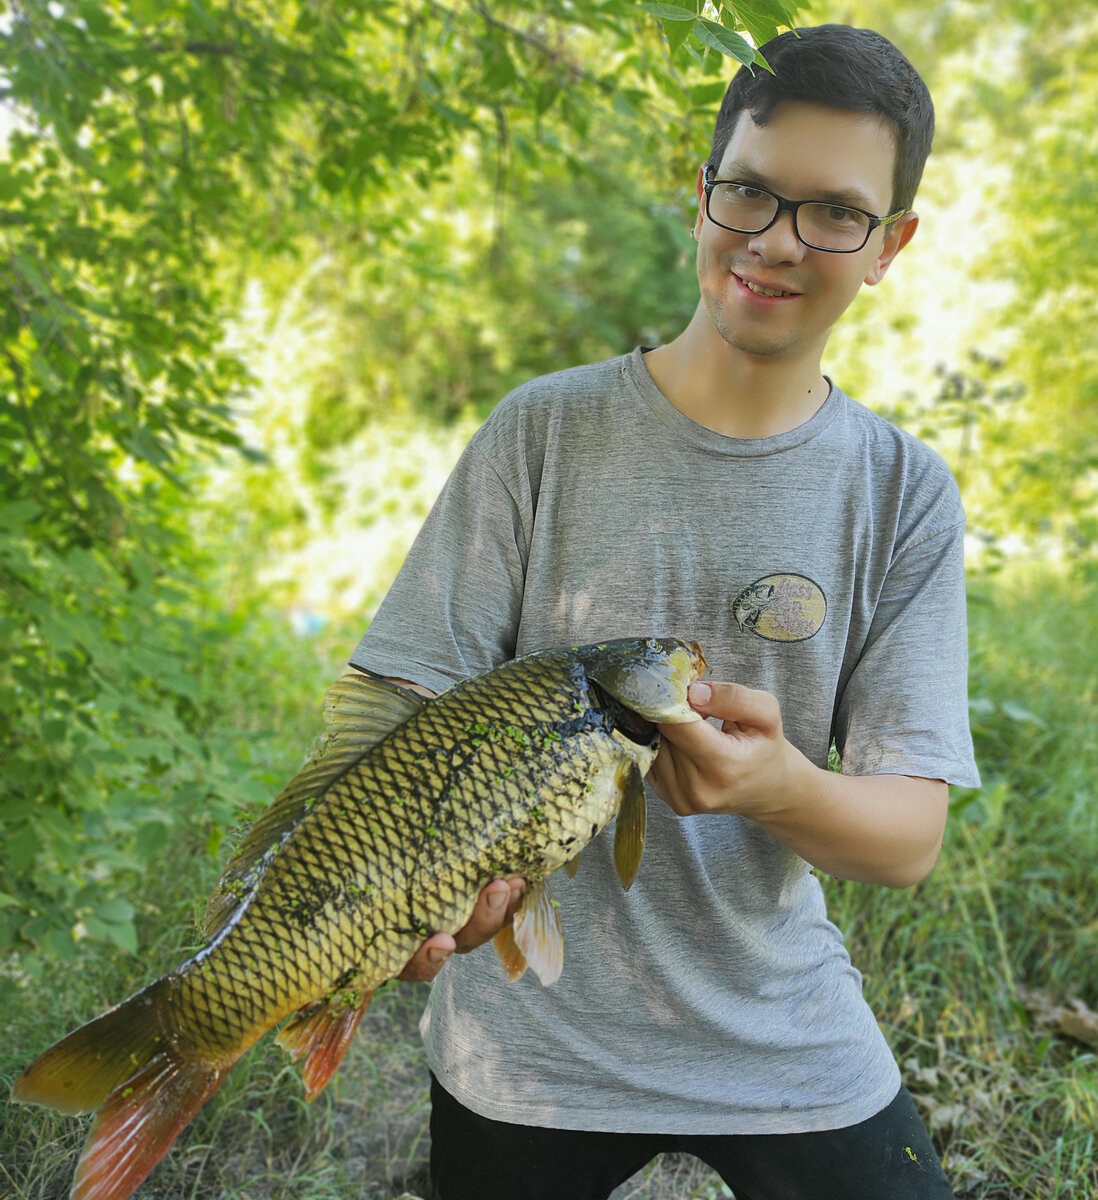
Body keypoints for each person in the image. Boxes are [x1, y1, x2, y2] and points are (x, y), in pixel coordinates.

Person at [350, 23, 980, 1200]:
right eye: (750, 192)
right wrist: (429, 881)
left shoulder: (903, 493)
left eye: (835, 212)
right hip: (525, 1047)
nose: (778, 242)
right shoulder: (542, 431)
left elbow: (910, 836)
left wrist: (780, 788)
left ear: (890, 243)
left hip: (780, 1027)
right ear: (702, 194)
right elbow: (401, 708)